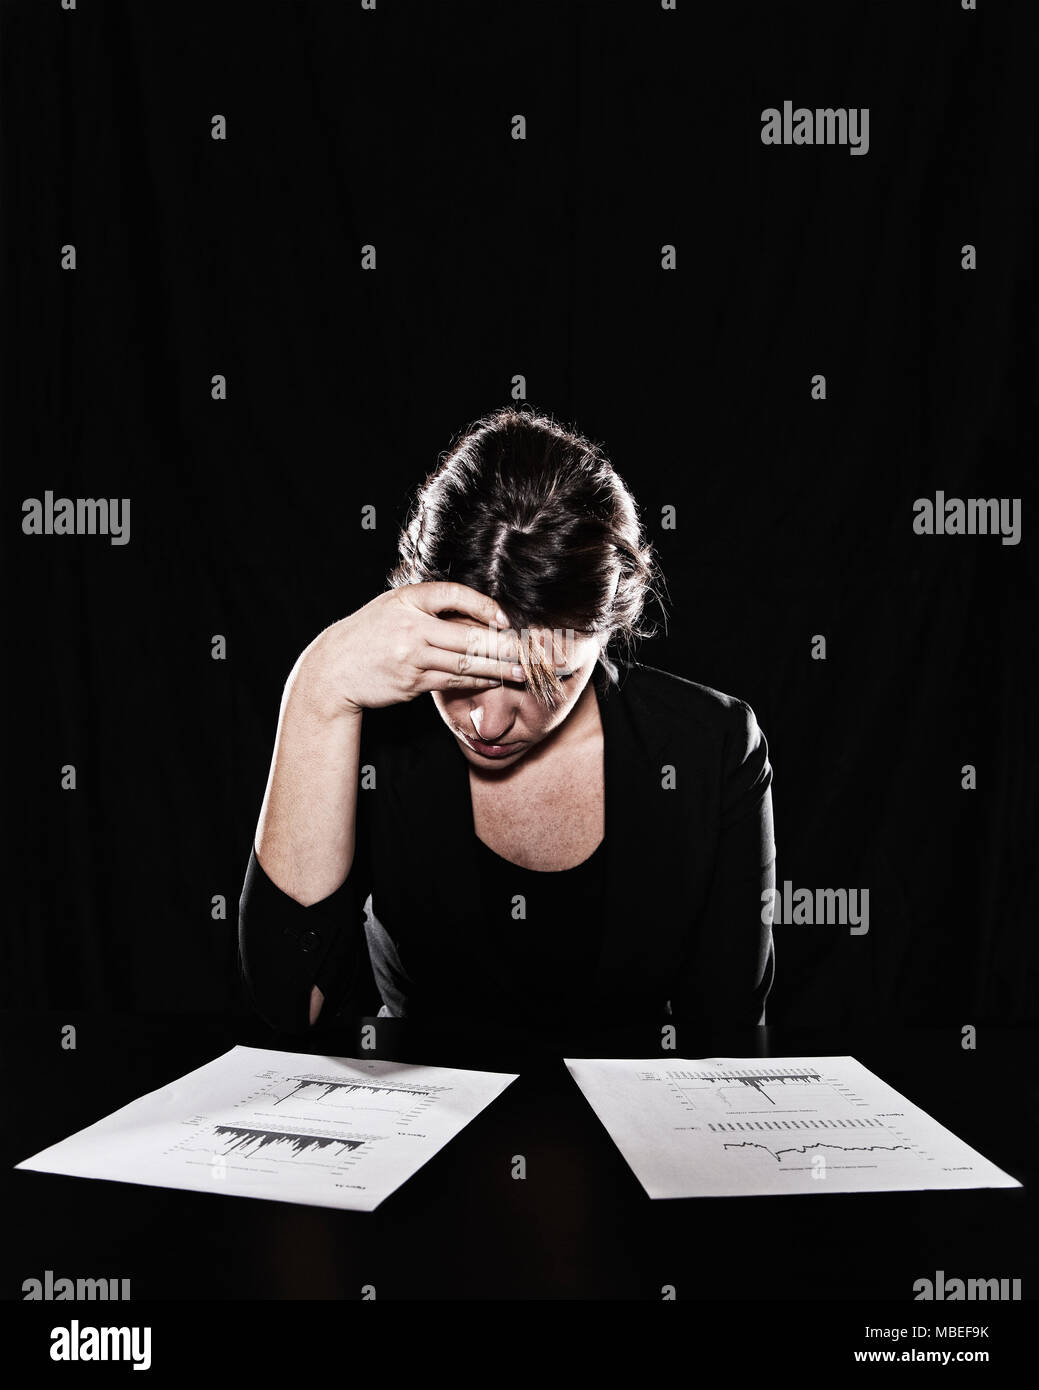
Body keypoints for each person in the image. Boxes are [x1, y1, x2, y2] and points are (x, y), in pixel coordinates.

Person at [238, 406, 776, 1035]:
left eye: (541, 680)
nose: (487, 722)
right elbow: (290, 1014)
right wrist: (316, 687)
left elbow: (729, 1040)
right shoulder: (371, 737)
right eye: (459, 667)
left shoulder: (711, 745)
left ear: (605, 635)